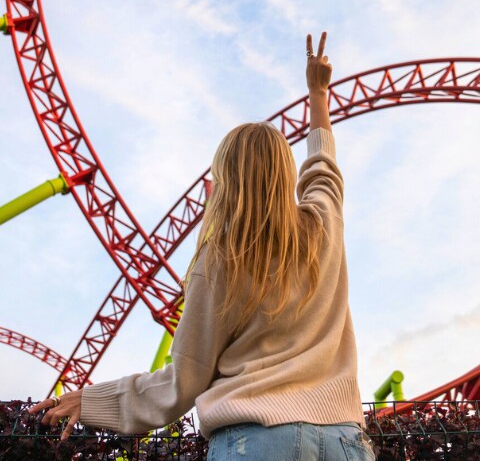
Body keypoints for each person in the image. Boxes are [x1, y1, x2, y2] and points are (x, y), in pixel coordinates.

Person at [29, 32, 375, 460]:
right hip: (343, 440)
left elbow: (185, 382)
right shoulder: (324, 225)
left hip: (256, 438)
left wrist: (91, 401)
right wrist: (318, 92)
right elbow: (323, 164)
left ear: (225, 181)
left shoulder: (220, 258)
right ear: (287, 174)